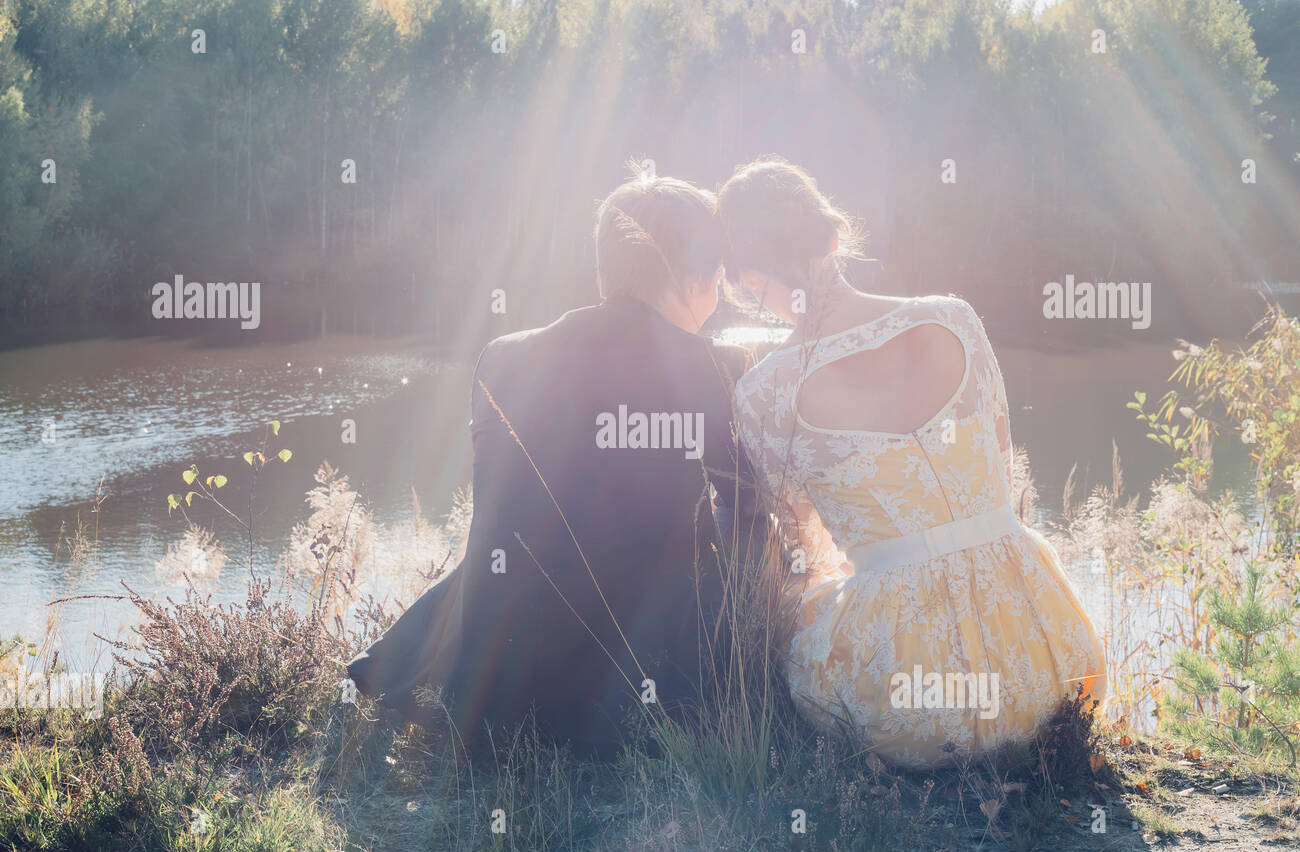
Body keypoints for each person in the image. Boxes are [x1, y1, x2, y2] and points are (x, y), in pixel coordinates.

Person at [347, 169, 755, 757]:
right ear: (695, 280)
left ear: (604, 270)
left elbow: (512, 503)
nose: (714, 302)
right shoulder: (718, 366)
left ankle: (387, 664)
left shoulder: (503, 356)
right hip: (645, 692)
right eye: (715, 282)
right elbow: (750, 511)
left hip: (498, 686)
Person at [719, 157, 1106, 768]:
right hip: (1049, 662)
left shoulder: (764, 390)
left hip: (911, 702)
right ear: (834, 237)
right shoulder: (951, 319)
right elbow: (1001, 469)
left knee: (808, 614)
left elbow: (804, 549)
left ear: (747, 277)